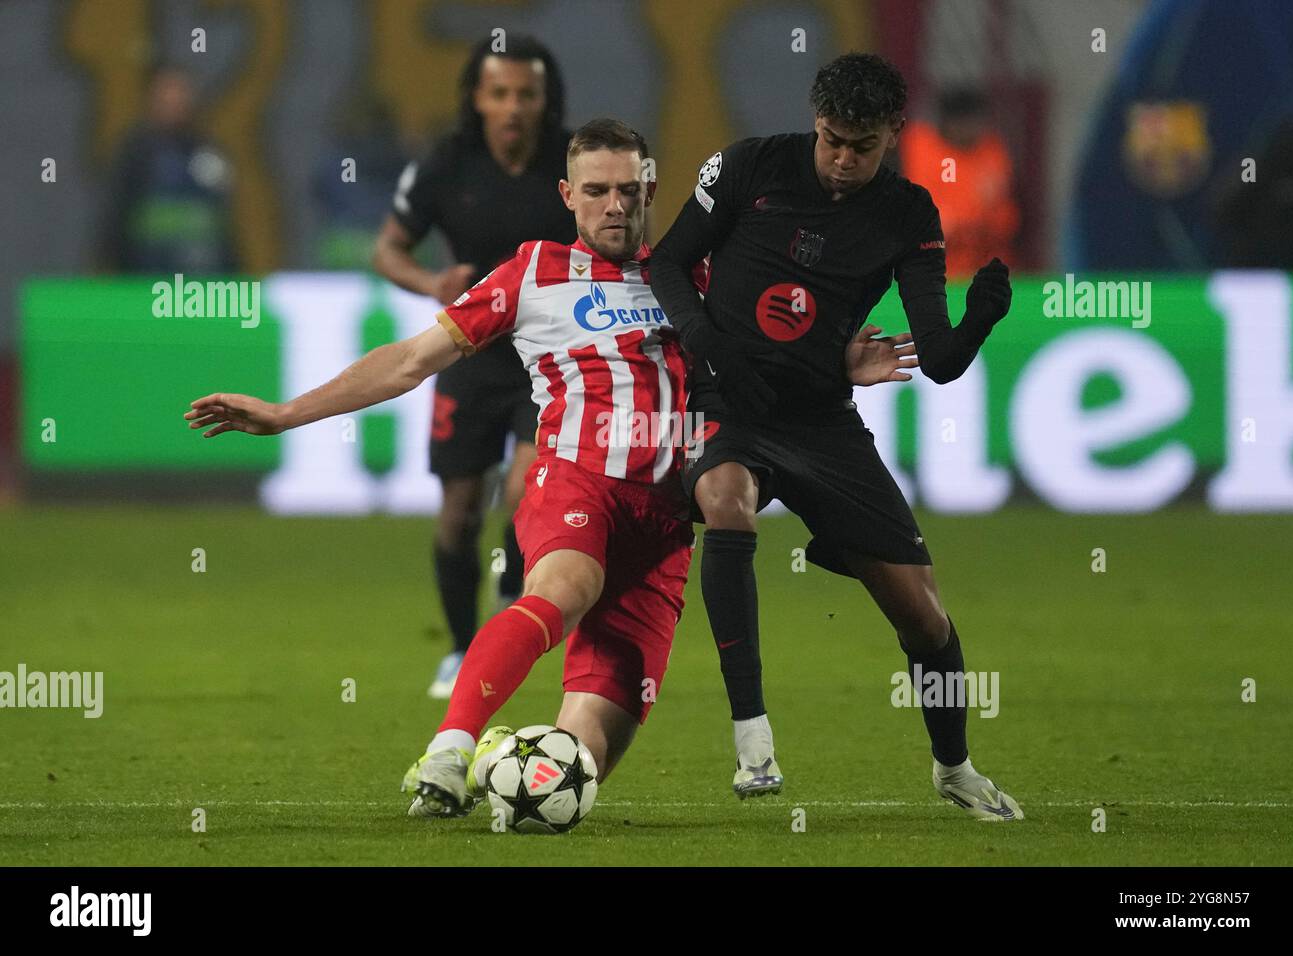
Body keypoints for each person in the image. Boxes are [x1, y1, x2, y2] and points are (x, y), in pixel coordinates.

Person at [184, 118, 916, 818]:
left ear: (651, 189)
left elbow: (779, 359)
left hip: (665, 527)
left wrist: (841, 363)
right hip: (576, 481)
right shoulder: (533, 271)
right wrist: (284, 413)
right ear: (568, 196)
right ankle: (448, 749)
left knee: (575, 767)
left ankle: (503, 768)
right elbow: (409, 362)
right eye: (595, 190)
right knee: (566, 587)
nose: (614, 205)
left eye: (628, 189)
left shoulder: (701, 275)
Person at [649, 53, 1024, 820]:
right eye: (831, 141)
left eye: (863, 146)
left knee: (924, 618)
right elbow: (669, 262)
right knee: (726, 500)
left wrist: (982, 317)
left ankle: (954, 767)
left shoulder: (909, 215)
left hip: (823, 422)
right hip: (732, 404)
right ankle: (752, 736)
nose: (844, 161)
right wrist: (706, 344)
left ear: (894, 135)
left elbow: (941, 361)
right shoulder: (749, 166)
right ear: (814, 122)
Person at [372, 36, 575, 699]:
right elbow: (388, 250)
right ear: (477, 100)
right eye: (500, 94)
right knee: (459, 512)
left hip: (549, 360)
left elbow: (624, 236)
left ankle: (507, 615)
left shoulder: (575, 163)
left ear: (547, 102)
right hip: (469, 351)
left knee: (524, 495)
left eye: (527, 94)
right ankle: (460, 647)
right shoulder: (446, 165)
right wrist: (430, 282)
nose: (514, 107)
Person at [102, 64, 236, 274]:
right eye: (166, 92)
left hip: (200, 276)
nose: (173, 100)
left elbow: (222, 219)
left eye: (179, 93)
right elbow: (117, 211)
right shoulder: (136, 152)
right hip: (144, 272)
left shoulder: (206, 151)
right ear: (152, 97)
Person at [898, 87, 1019, 278]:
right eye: (965, 122)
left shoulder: (991, 150)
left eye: (977, 122)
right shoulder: (919, 146)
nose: (973, 129)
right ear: (948, 122)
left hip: (985, 269)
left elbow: (1006, 217)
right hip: (932, 272)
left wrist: (970, 222)